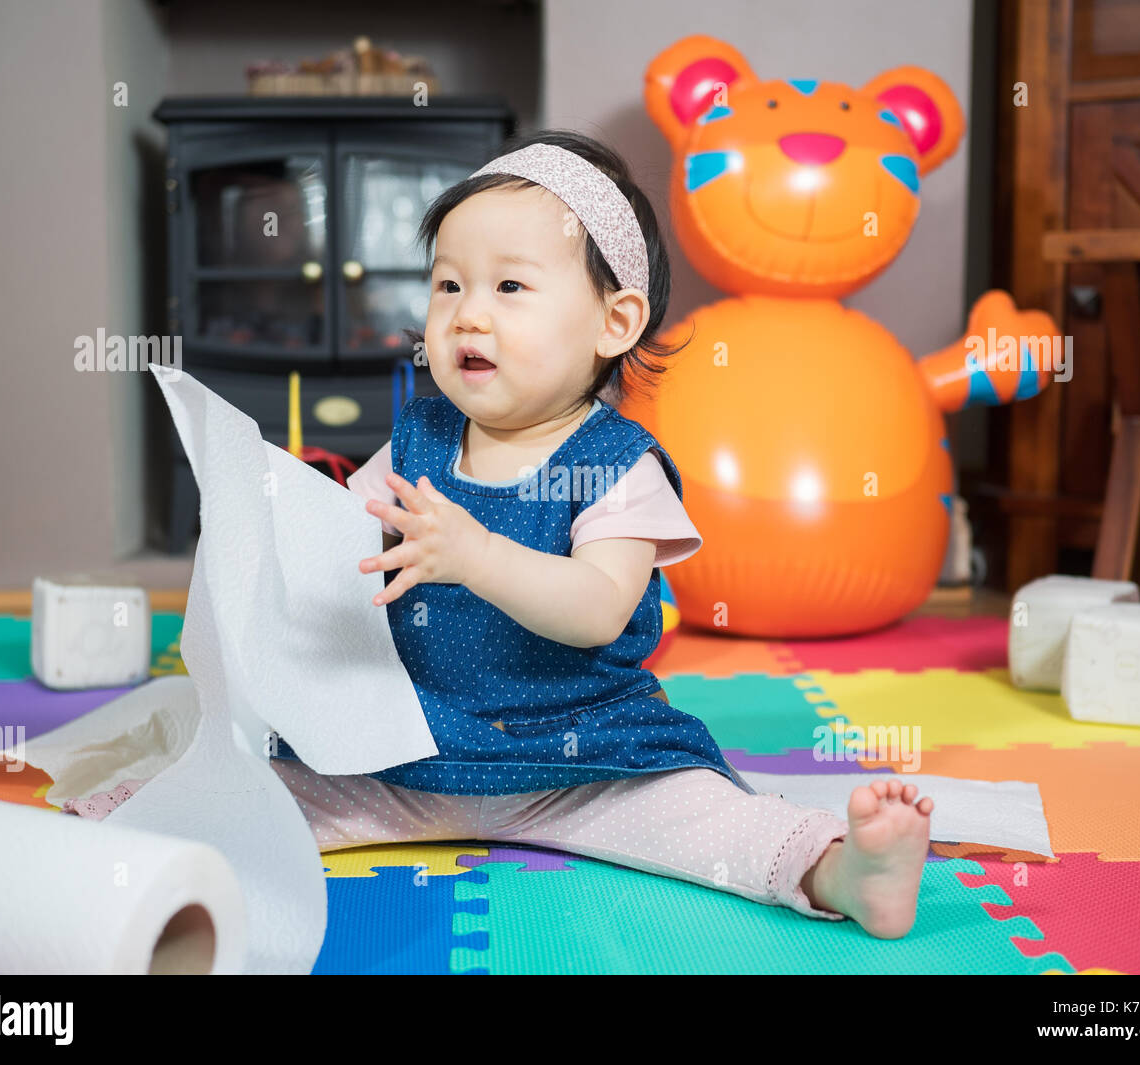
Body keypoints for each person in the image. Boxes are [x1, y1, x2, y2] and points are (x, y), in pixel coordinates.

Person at [67, 129, 934, 940]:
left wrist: (475, 554)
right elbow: (339, 541)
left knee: (704, 818)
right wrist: (262, 517)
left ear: (614, 324)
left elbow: (599, 607)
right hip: (404, 755)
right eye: (449, 284)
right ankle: (129, 833)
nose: (467, 315)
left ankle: (846, 872)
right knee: (253, 791)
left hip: (580, 763)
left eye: (509, 287)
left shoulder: (616, 465)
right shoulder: (424, 438)